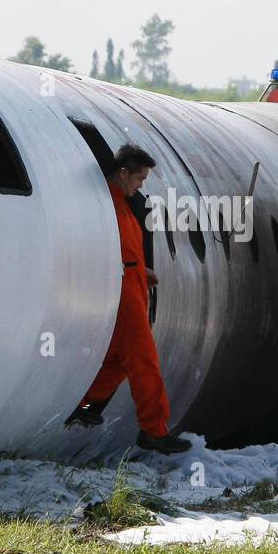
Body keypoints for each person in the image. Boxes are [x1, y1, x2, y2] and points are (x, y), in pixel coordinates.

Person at [67, 144, 189, 454]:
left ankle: (84, 403)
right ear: (124, 173)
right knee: (144, 360)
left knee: (120, 360)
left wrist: (142, 272)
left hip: (133, 283)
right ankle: (154, 430)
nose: (140, 186)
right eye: (139, 179)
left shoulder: (123, 203)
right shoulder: (107, 203)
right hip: (123, 291)